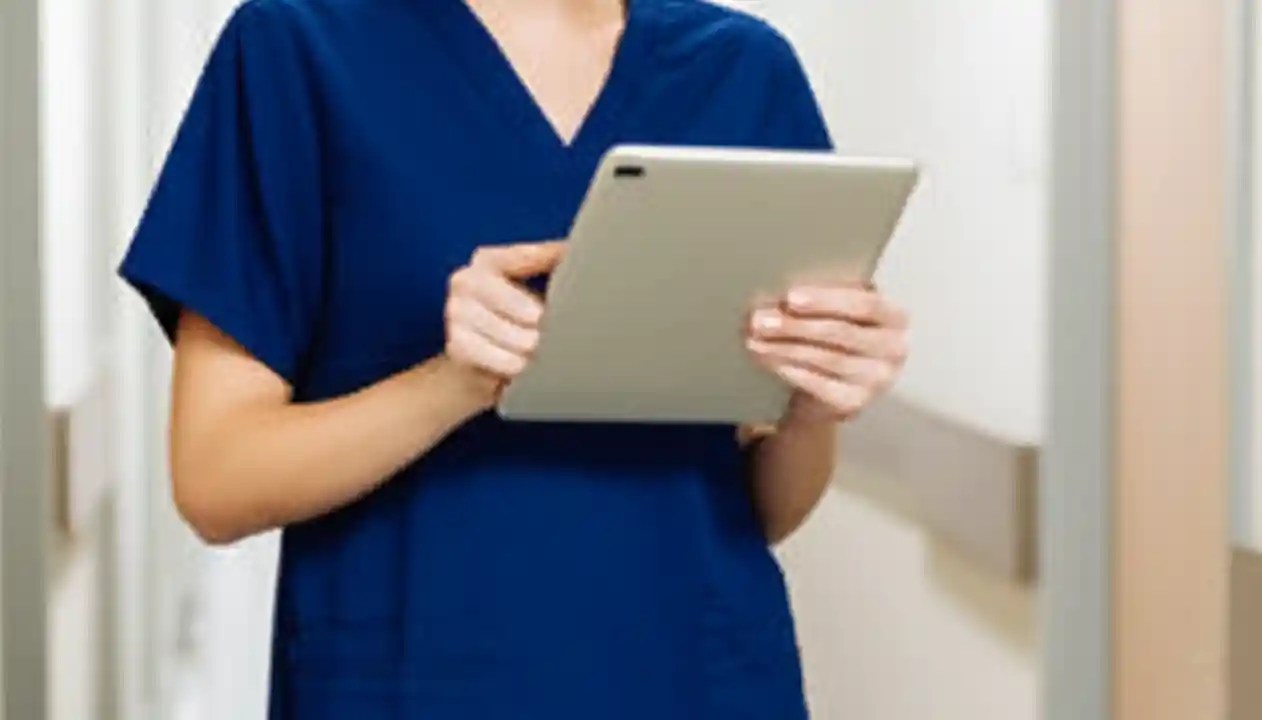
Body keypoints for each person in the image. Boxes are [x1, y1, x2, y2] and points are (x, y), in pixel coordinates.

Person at [119, 0, 911, 717]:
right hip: (414, 682)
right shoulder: (298, 49)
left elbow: (761, 509)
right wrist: (455, 383)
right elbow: (217, 481)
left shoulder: (742, 71)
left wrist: (810, 406)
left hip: (697, 677)